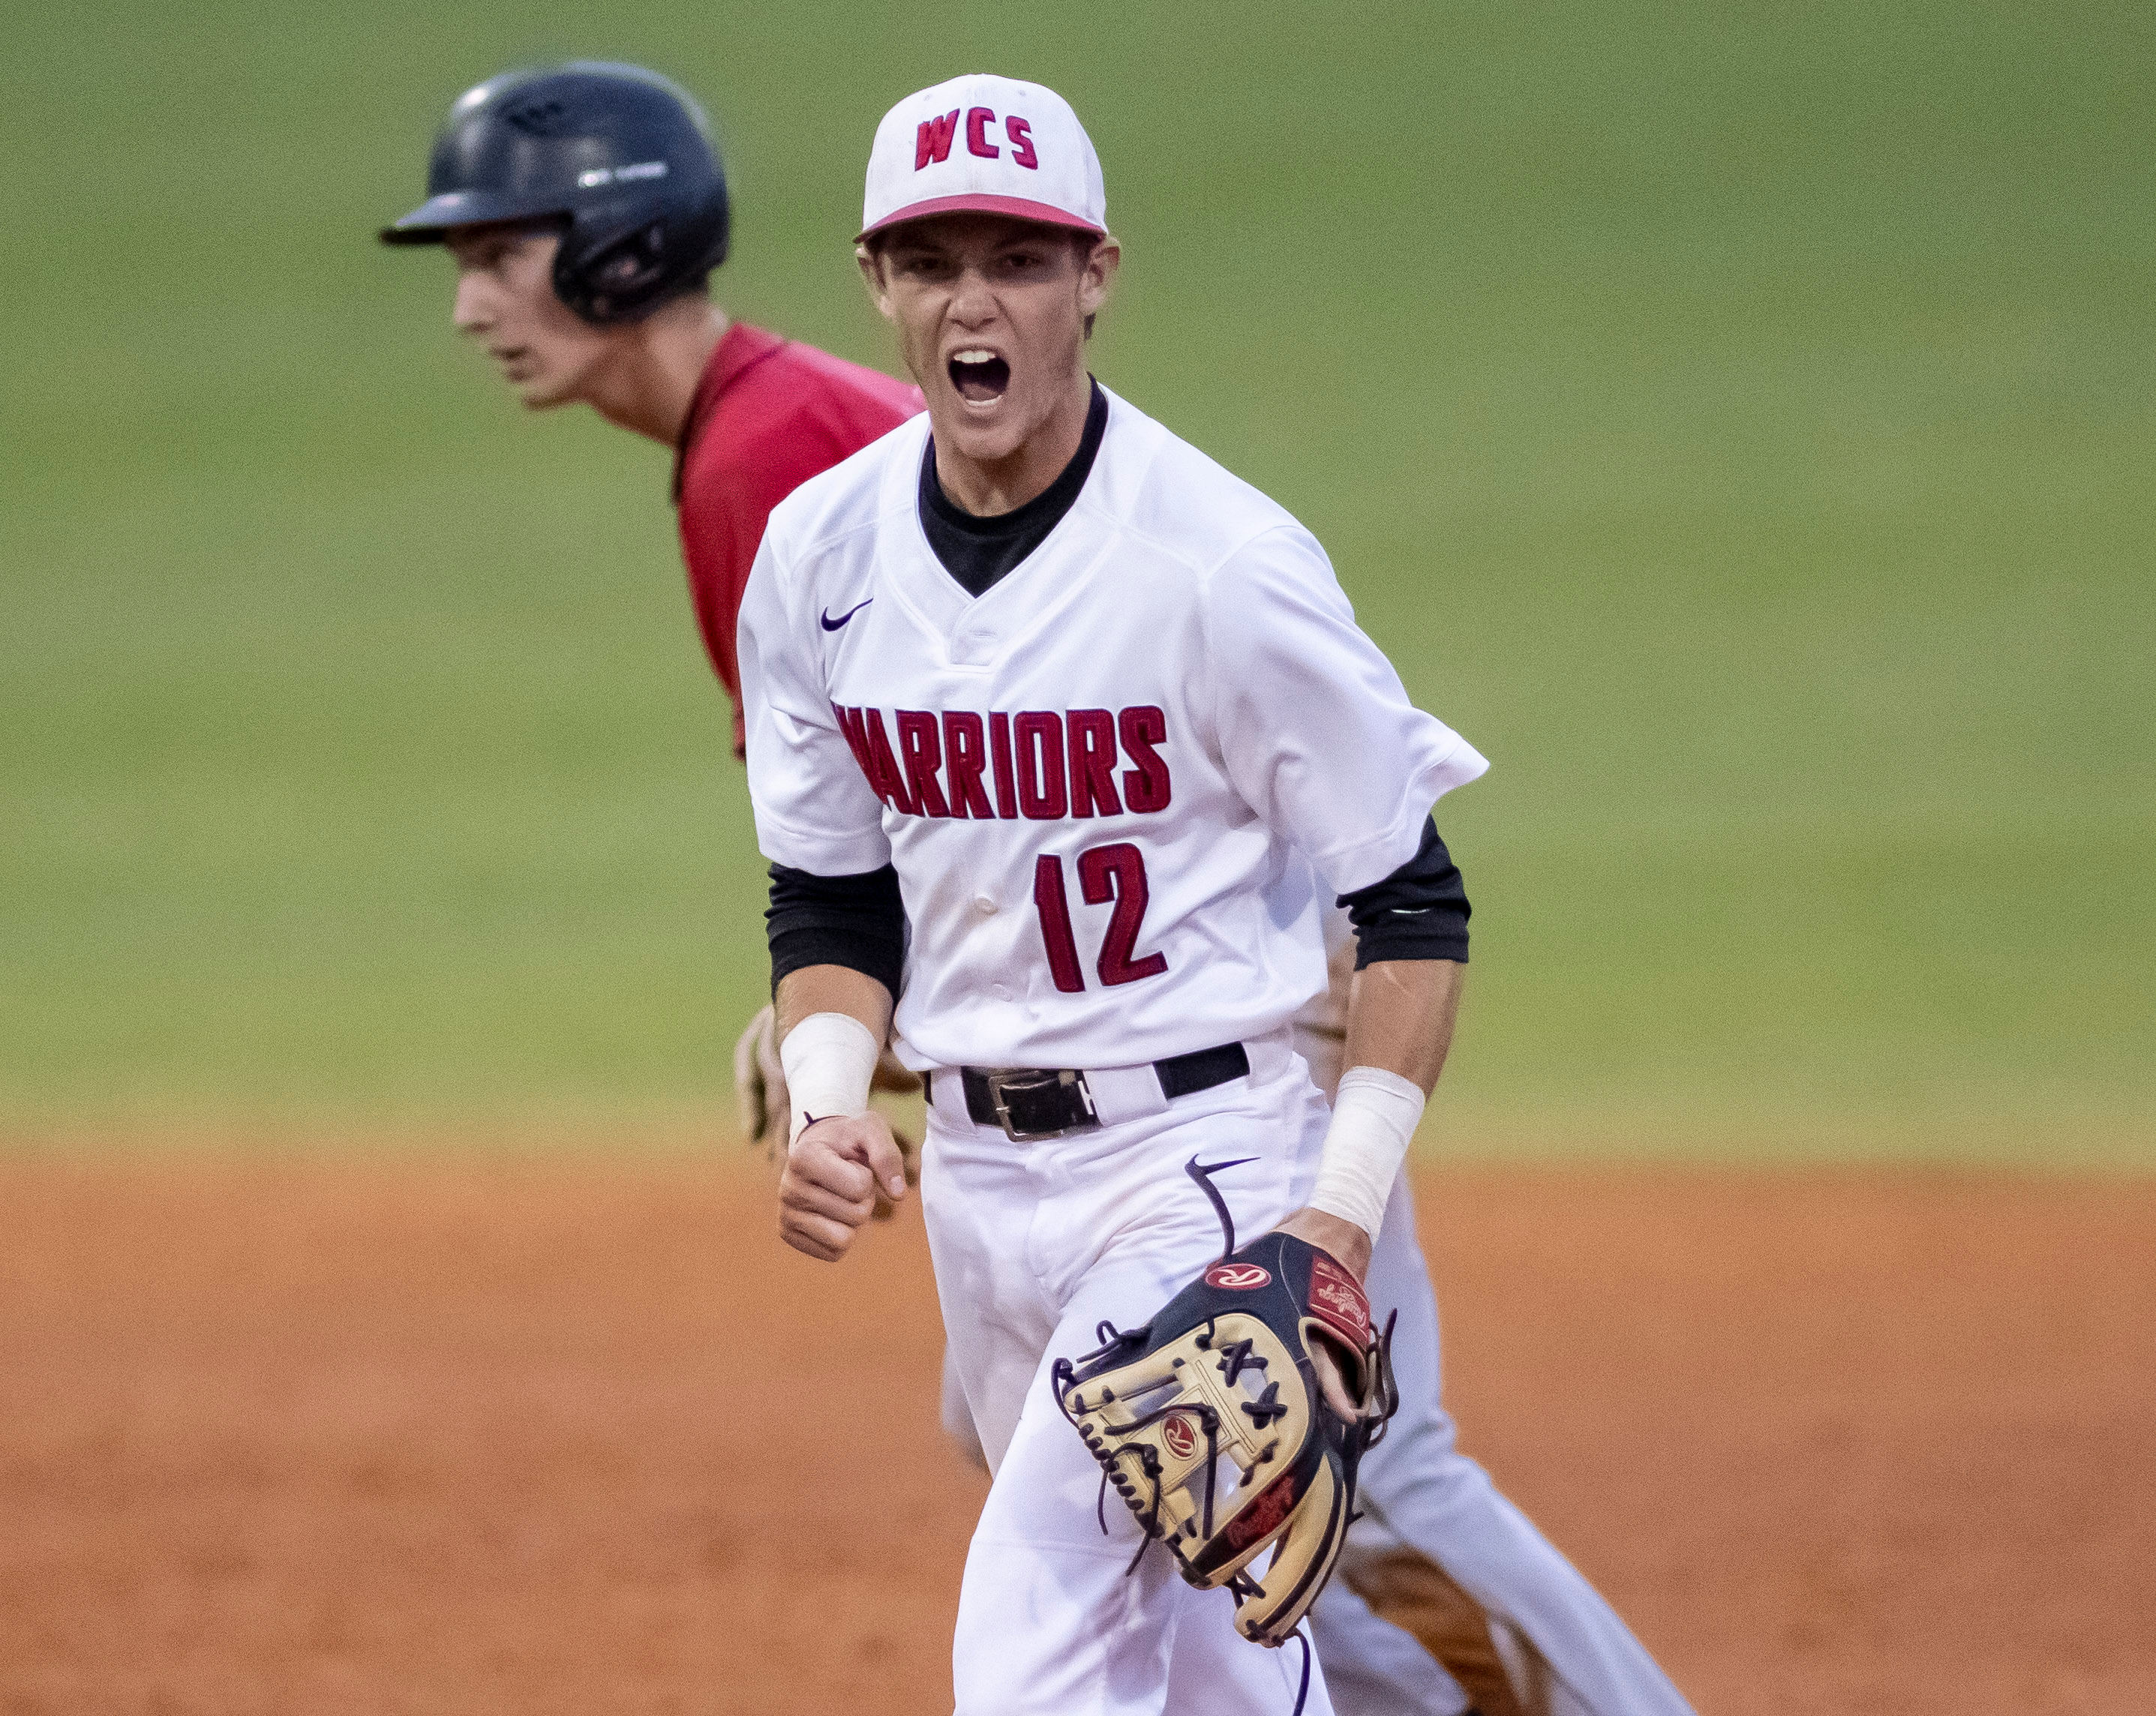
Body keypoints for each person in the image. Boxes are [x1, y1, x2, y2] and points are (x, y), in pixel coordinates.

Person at [742, 72, 1697, 1716]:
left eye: (1022, 259)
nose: (977, 301)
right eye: (933, 259)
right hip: (978, 1183)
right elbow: (826, 897)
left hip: (1198, 1176)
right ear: (876, 285)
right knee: (1200, 1657)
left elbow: (1411, 903)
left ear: (1096, 276)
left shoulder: (1220, 567)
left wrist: (1329, 1223)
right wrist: (828, 1096)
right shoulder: (817, 559)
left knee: (1033, 1637)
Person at [377, 57, 923, 1152]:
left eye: (497, 258)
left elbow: (924, 784)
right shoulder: (765, 419)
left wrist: (844, 1022)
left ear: (622, 249)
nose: (468, 310)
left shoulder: (762, 459)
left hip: (1199, 970)